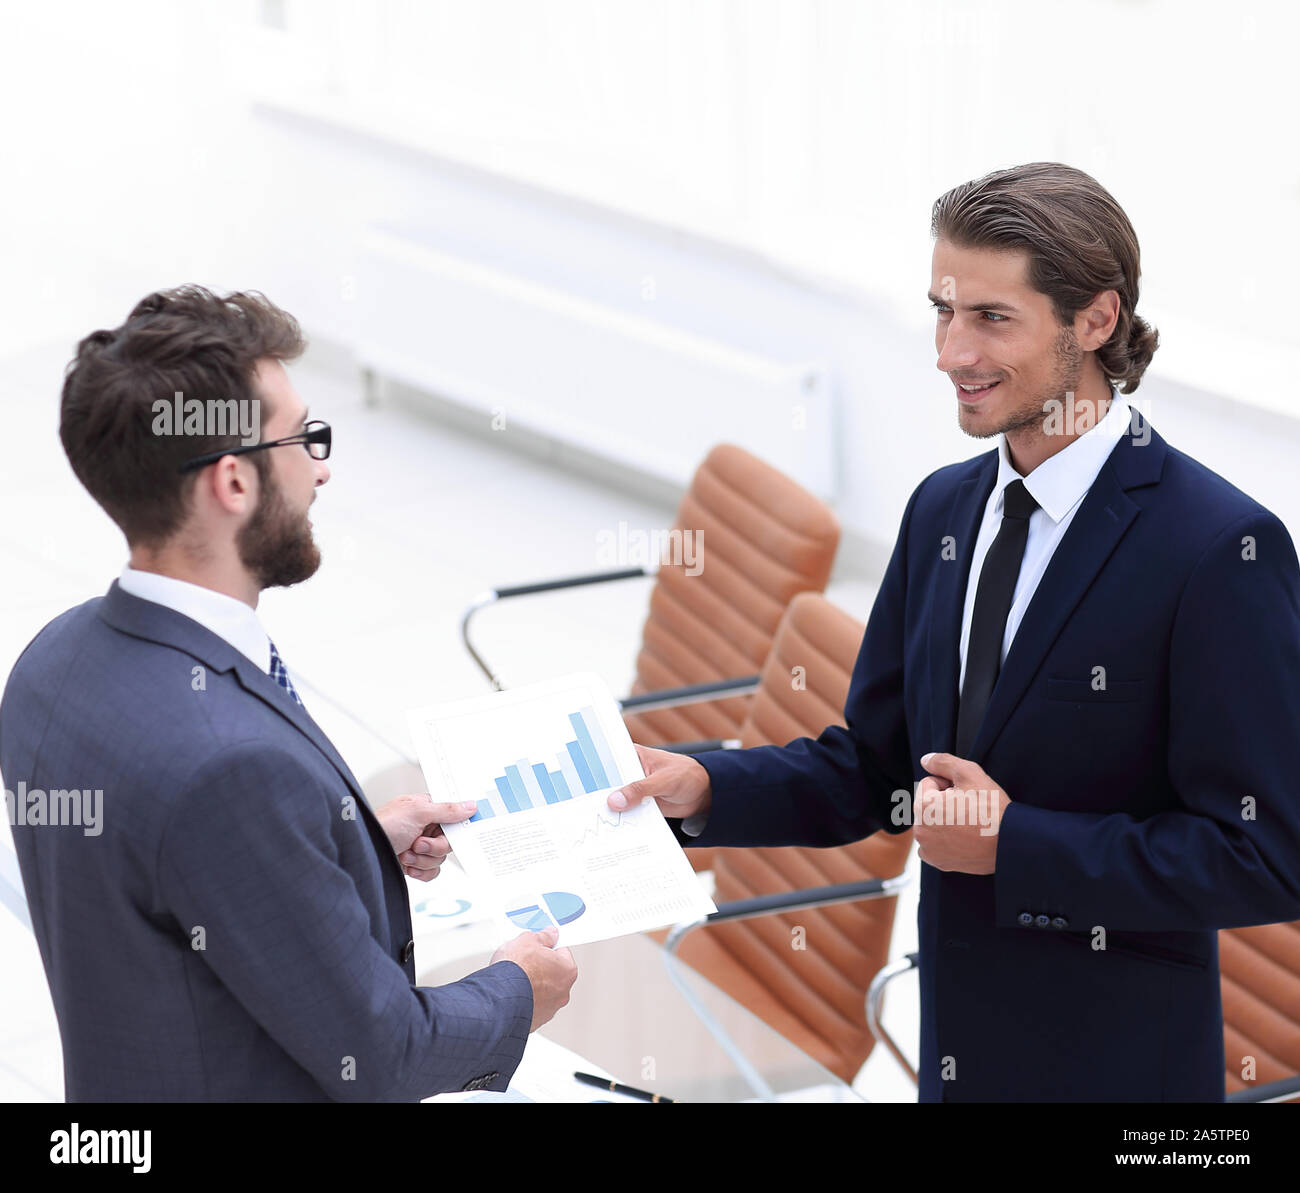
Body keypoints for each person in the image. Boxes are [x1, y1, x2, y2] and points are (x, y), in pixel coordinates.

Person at [609, 162, 1300, 1103]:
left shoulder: (1219, 550)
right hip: (957, 1052)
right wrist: (705, 786)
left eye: (991, 318)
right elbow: (878, 770)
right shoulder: (945, 508)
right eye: (942, 309)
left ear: (1095, 321)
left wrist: (1016, 843)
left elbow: (1263, 858)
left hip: (1117, 1074)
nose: (949, 351)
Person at [0, 286, 576, 1101]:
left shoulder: (51, 662)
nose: (324, 467)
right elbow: (388, 1054)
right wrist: (517, 990)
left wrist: (337, 839)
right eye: (306, 438)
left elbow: (170, 870)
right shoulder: (229, 769)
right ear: (233, 482)